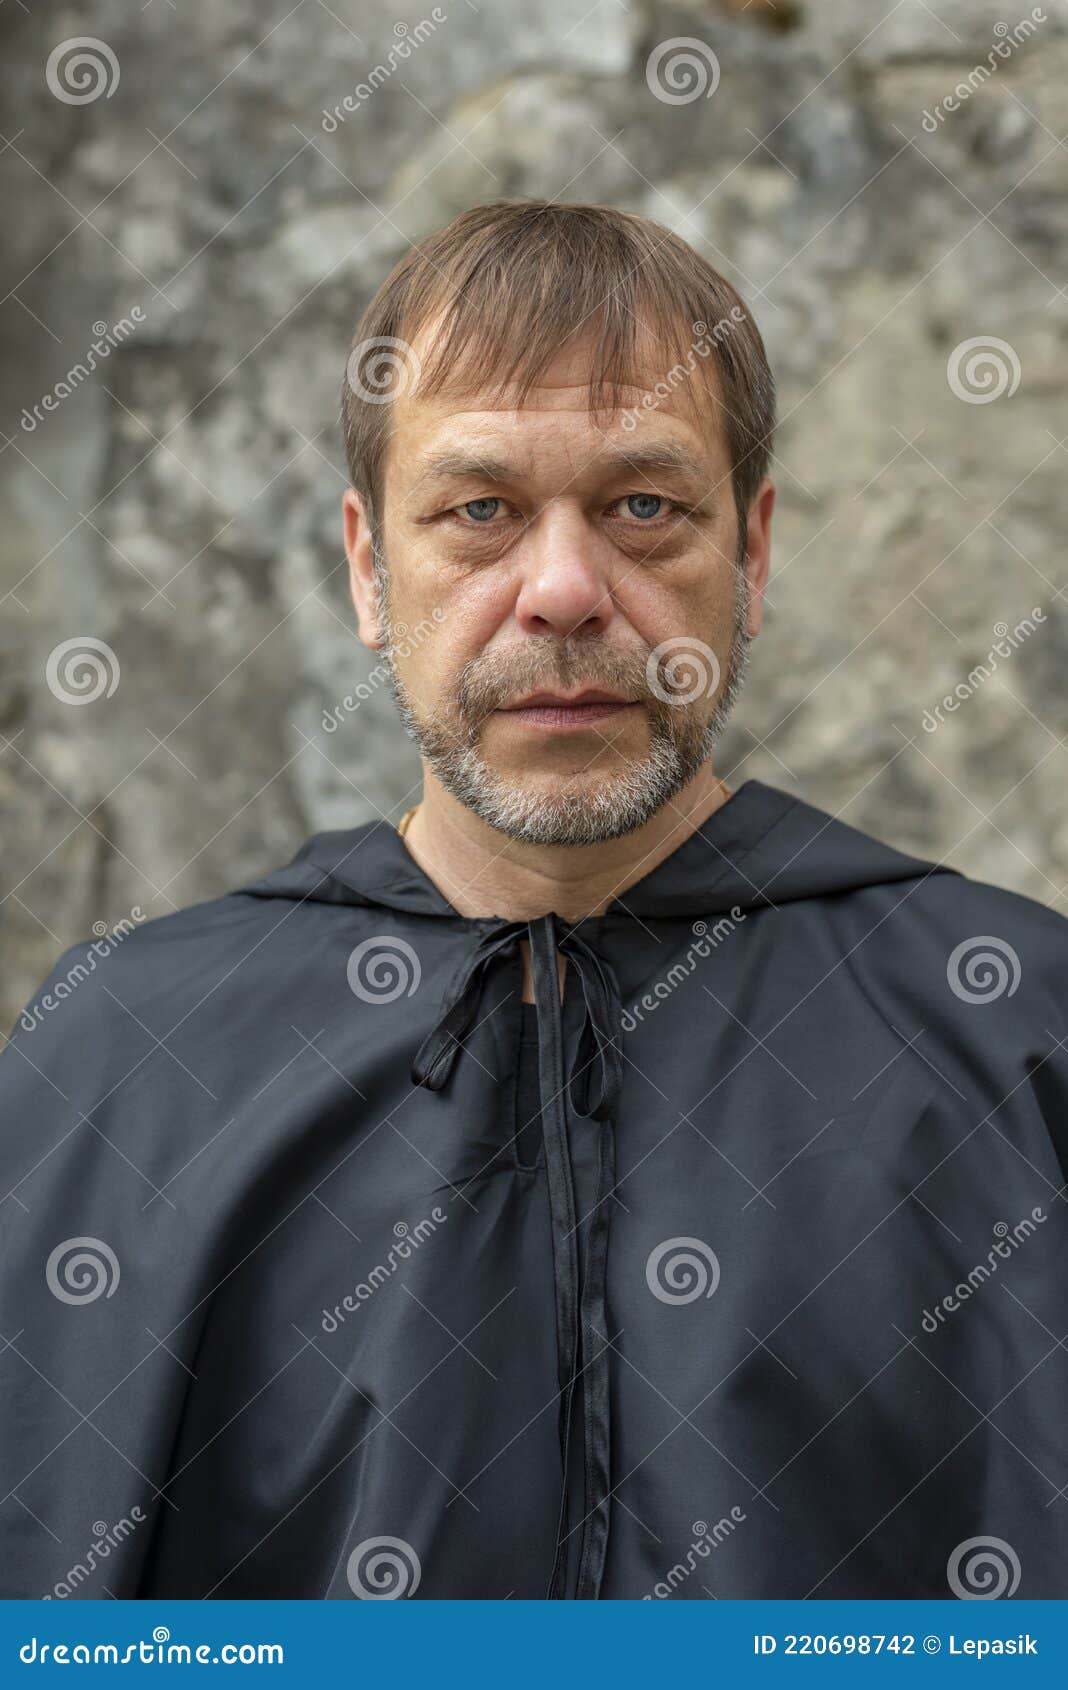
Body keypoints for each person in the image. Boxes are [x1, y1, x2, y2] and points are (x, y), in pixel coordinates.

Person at [1, 199, 1064, 1602]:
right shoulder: (115, 1072)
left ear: (749, 554)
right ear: (371, 568)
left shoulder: (1017, 1037)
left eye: (642, 506)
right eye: (480, 511)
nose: (563, 588)